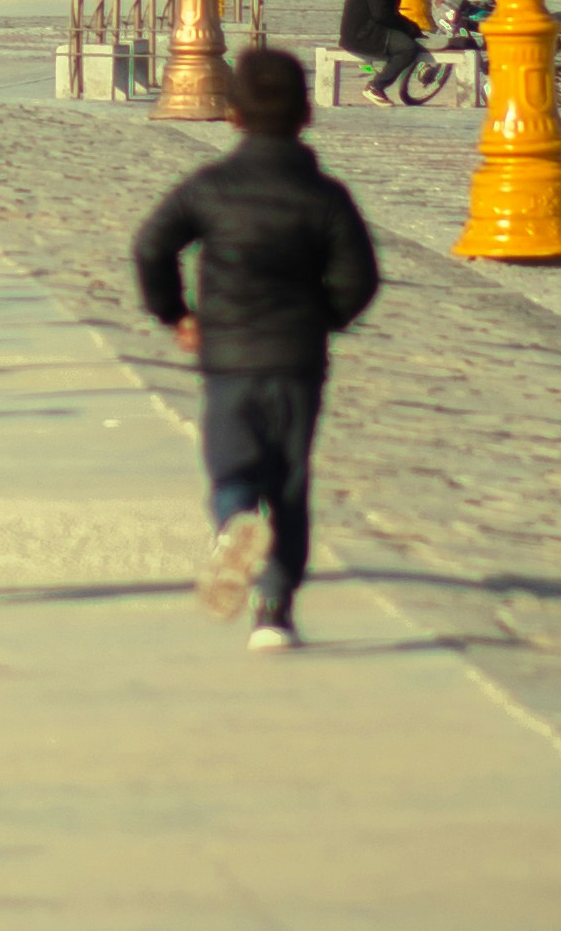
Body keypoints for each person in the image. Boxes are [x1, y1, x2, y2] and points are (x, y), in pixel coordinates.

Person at [130, 49, 380, 652]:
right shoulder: (326, 197)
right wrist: (322, 319)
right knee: (290, 481)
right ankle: (275, 609)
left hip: (228, 356)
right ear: (306, 113)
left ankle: (236, 517)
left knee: (232, 466)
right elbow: (360, 278)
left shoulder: (210, 187)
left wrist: (176, 314)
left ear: (233, 115)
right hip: (297, 360)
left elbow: (150, 247)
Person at [333, 0, 423, 104]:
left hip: (371, 29)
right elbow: (381, 14)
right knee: (407, 48)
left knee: (409, 39)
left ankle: (384, 75)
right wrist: (406, 27)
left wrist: (410, 27)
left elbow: (389, 14)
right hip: (362, 33)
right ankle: (376, 86)